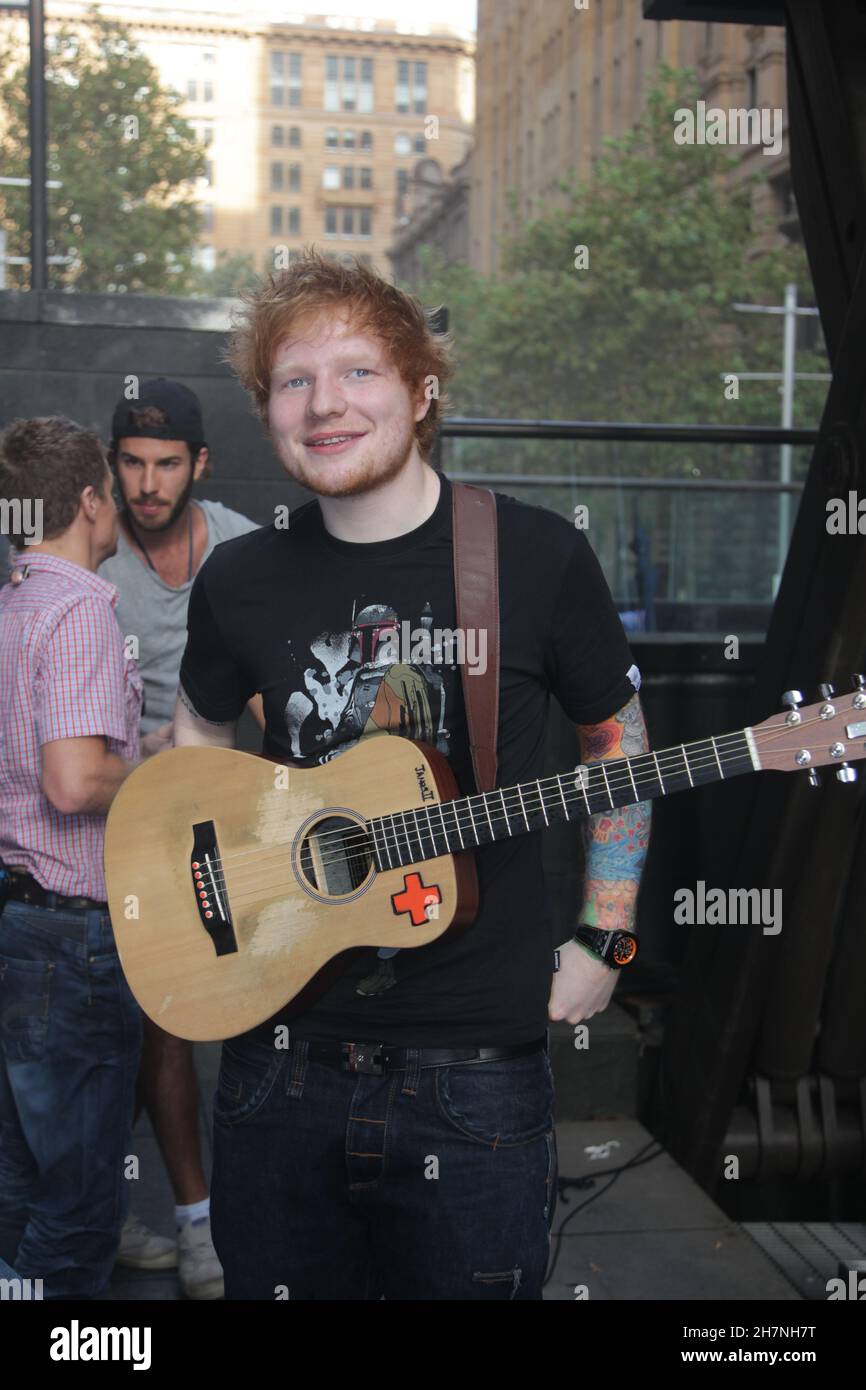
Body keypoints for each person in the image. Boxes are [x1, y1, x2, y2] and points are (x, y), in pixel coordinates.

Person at [172, 248, 652, 1300]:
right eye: (292, 380)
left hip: (471, 1078)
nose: (322, 404)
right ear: (264, 410)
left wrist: (604, 937)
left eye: (357, 373)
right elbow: (200, 732)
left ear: (420, 390)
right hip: (273, 1067)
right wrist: (211, 887)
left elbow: (615, 743)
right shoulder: (241, 576)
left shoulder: (528, 556)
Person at [98, 378, 260, 1299]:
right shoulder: (90, 557)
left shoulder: (241, 546)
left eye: (166, 465)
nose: (148, 484)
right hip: (118, 819)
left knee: (269, 1001)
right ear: (112, 465)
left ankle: (264, 1211)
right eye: (131, 463)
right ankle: (191, 1226)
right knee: (150, 1016)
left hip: (235, 799)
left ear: (199, 464)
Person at [0, 416, 143, 1299]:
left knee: (21, 1172)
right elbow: (74, 778)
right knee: (85, 1197)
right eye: (114, 489)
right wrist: (160, 778)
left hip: (18, 922)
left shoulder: (14, 603)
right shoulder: (82, 606)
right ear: (90, 500)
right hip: (75, 937)